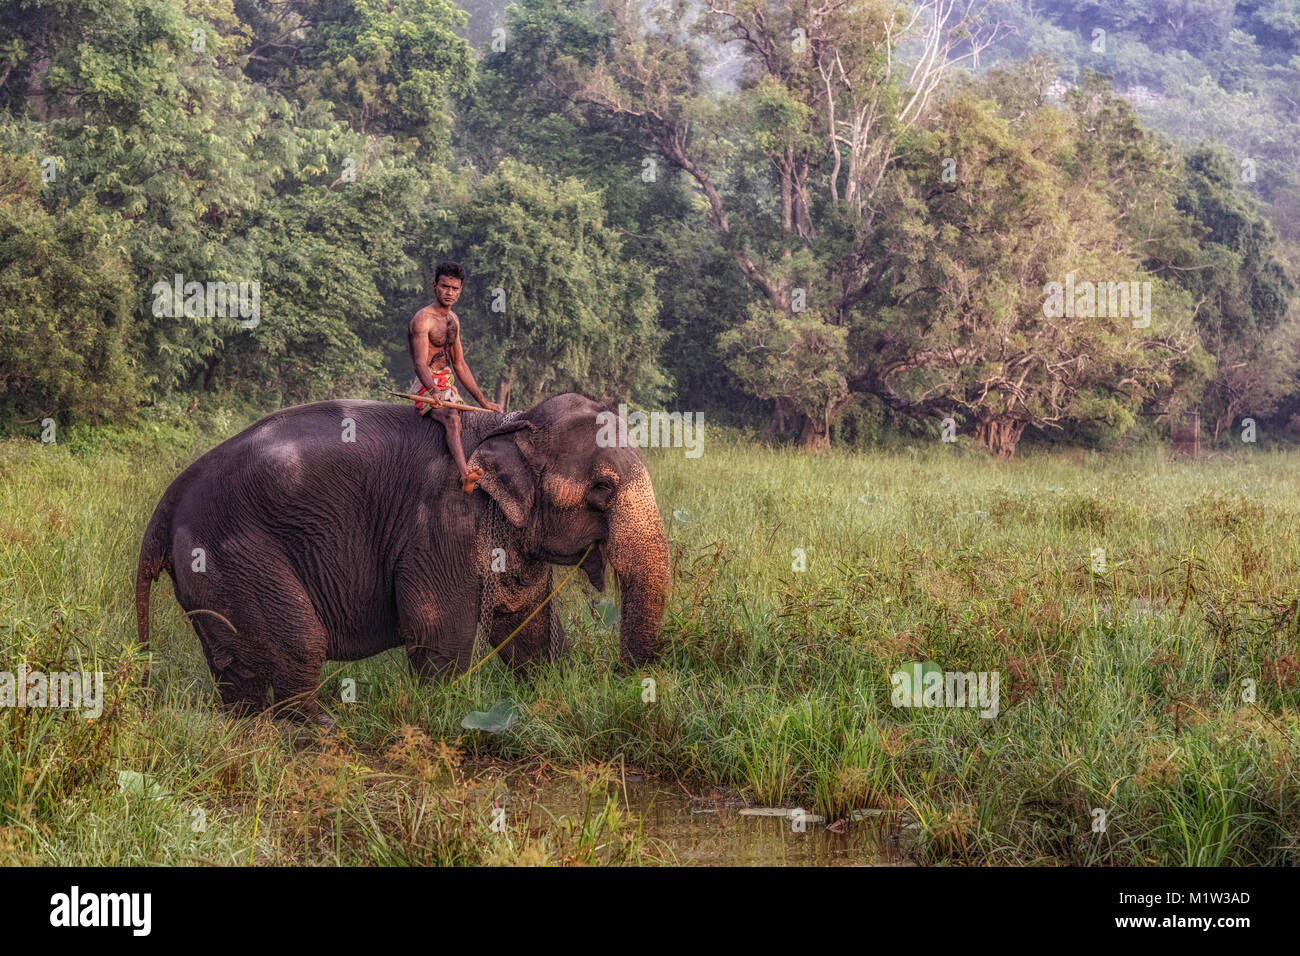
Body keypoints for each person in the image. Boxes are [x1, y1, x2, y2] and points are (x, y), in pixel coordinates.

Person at [407, 262, 502, 493]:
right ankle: (464, 476)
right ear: (434, 287)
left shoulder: (453, 321)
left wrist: (483, 402)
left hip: (447, 384)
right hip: (426, 385)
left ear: (460, 291)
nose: (449, 292)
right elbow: (420, 363)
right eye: (445, 286)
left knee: (477, 419)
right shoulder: (423, 320)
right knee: (452, 416)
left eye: (455, 288)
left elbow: (459, 365)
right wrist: (433, 390)